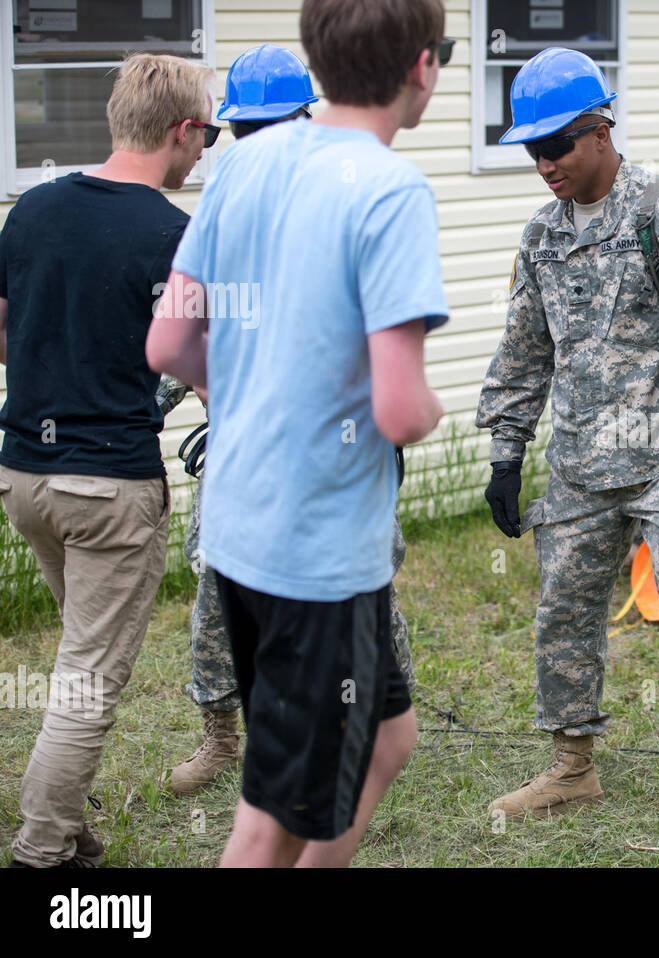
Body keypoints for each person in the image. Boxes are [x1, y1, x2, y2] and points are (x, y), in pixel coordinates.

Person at [146, 0, 450, 867]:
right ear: (422, 67)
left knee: (388, 741)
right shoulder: (392, 190)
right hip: (313, 559)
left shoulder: (246, 164)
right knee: (267, 821)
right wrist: (428, 410)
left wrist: (251, 395)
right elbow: (399, 410)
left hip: (241, 527)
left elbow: (166, 342)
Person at [476, 47, 659, 851]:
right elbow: (524, 350)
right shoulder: (542, 235)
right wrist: (506, 451)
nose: (545, 165)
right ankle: (573, 766)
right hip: (579, 461)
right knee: (562, 615)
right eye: (532, 151)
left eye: (558, 146)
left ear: (601, 128)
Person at [1, 53, 215, 868]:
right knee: (90, 677)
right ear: (181, 130)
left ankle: (70, 826)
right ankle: (42, 851)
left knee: (75, 657)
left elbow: (4, 331)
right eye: (209, 135)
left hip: (24, 478)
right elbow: (202, 367)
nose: (205, 154)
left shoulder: (32, 211)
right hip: (110, 487)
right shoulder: (174, 236)